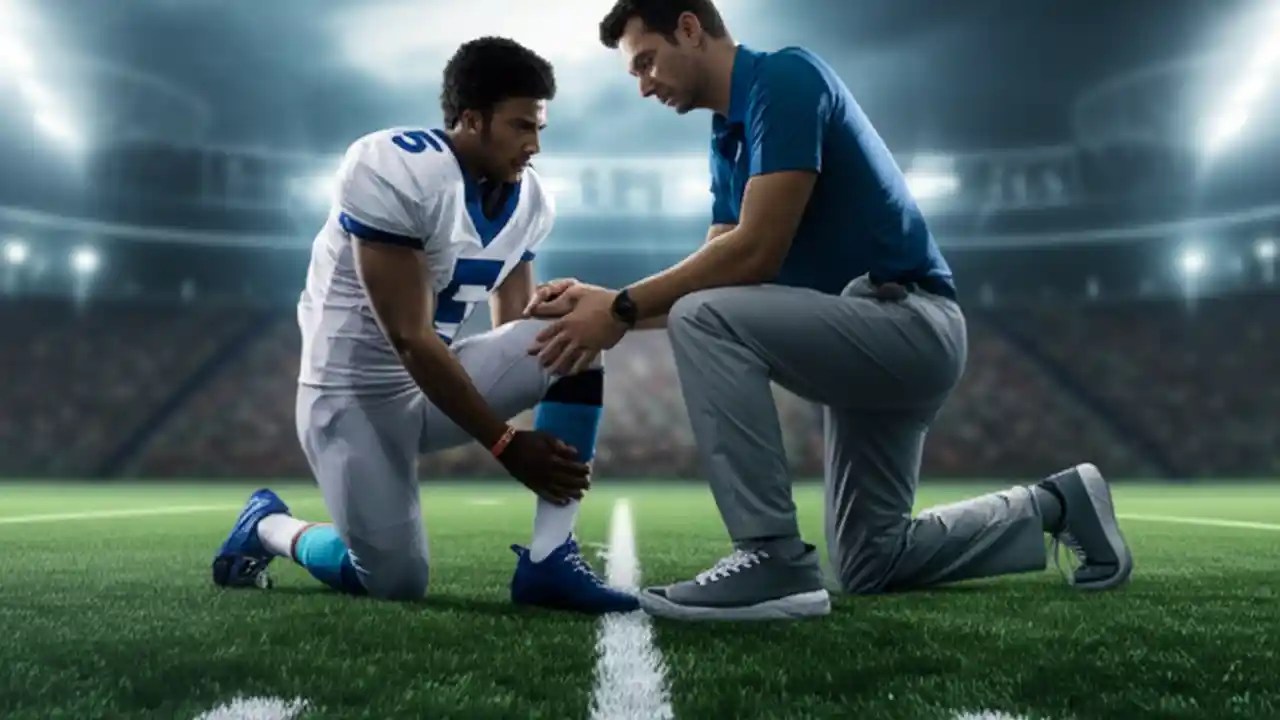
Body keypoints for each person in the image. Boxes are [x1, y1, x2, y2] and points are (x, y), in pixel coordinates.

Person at [525, 0, 1132, 620]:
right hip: (869, 337)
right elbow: (715, 265)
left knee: (704, 317)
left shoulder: (785, 79)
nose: (644, 85)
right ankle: (1058, 503)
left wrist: (620, 308)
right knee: (872, 561)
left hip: (907, 322)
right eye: (634, 74)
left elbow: (755, 254)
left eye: (647, 63)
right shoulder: (725, 134)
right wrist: (604, 304)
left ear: (689, 27)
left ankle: (771, 557)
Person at [210, 37, 638, 614]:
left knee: (575, 333)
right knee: (395, 580)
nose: (534, 146)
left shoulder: (530, 199)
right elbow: (410, 339)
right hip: (352, 398)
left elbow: (514, 326)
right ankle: (270, 527)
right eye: (519, 127)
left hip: (433, 384)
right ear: (471, 119)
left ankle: (549, 559)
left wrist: (558, 306)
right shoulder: (396, 169)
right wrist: (508, 445)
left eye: (539, 128)